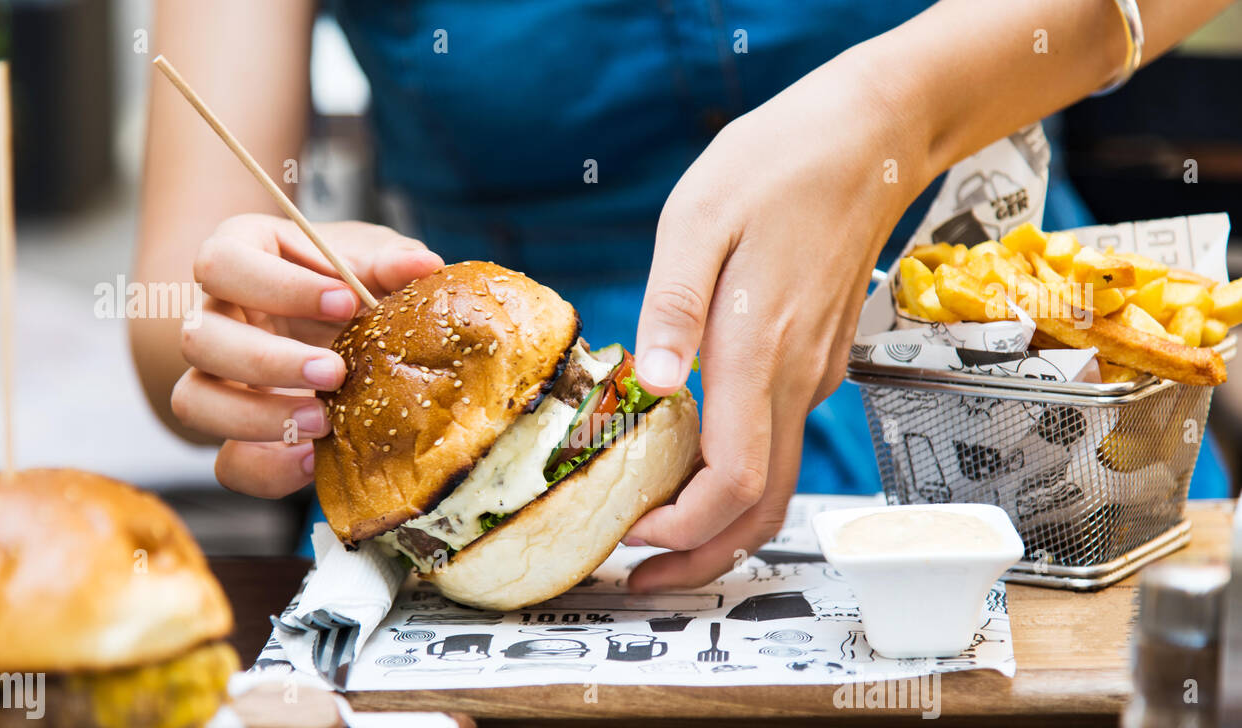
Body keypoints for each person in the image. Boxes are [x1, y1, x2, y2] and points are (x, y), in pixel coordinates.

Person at [133, 0, 1231, 591]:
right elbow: (167, 295)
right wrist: (255, 327)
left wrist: (902, 110)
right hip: (511, 431)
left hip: (1001, 372)